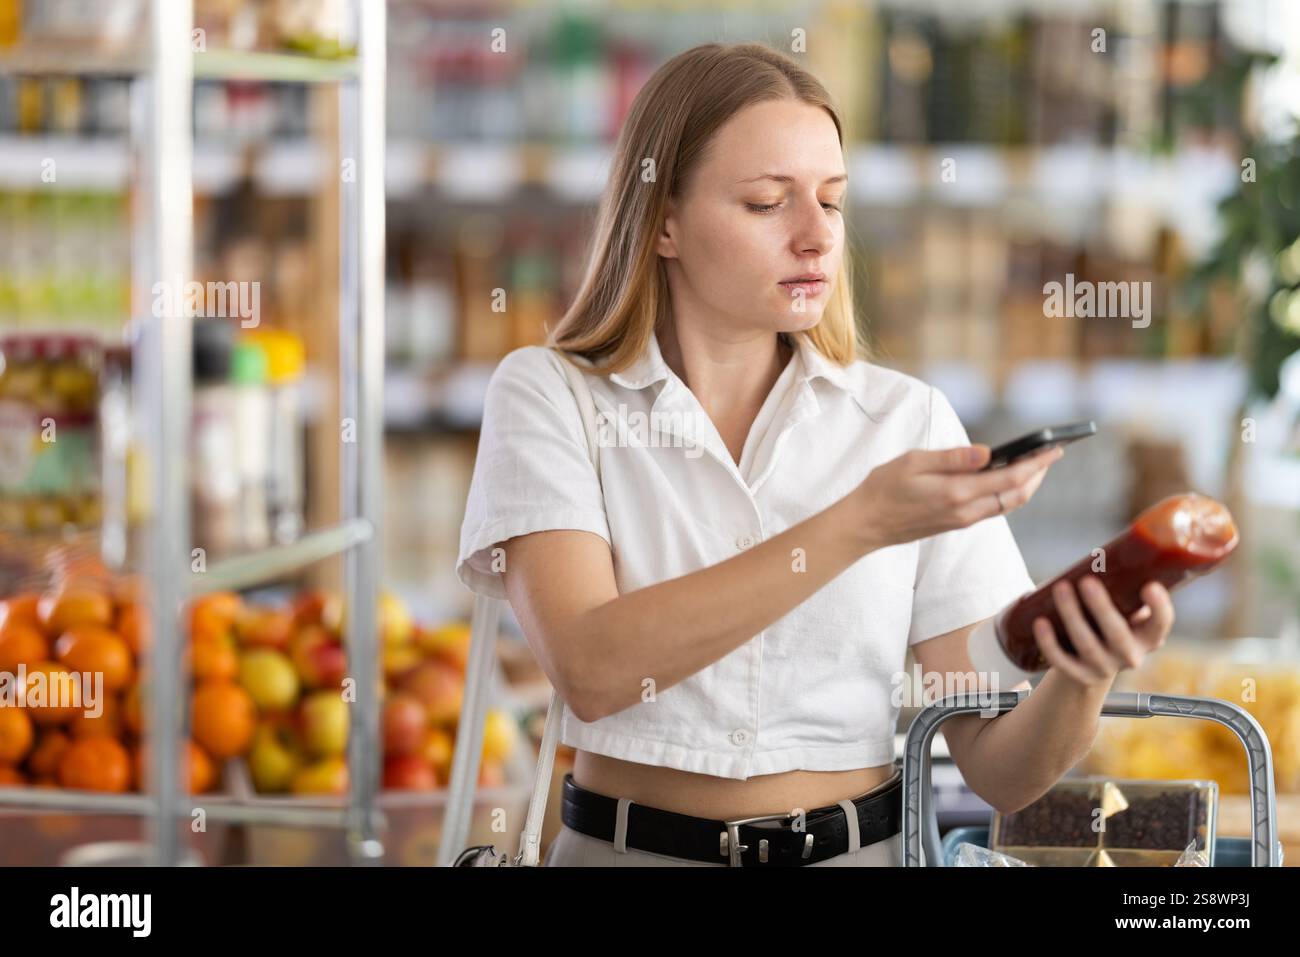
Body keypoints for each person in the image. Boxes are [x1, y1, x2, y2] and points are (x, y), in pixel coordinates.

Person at [456, 42, 1175, 867]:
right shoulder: (551, 395)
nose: (815, 238)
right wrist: (861, 523)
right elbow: (591, 664)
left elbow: (1001, 771)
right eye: (768, 203)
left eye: (831, 202)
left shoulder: (906, 420)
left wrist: (1085, 675)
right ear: (663, 223)